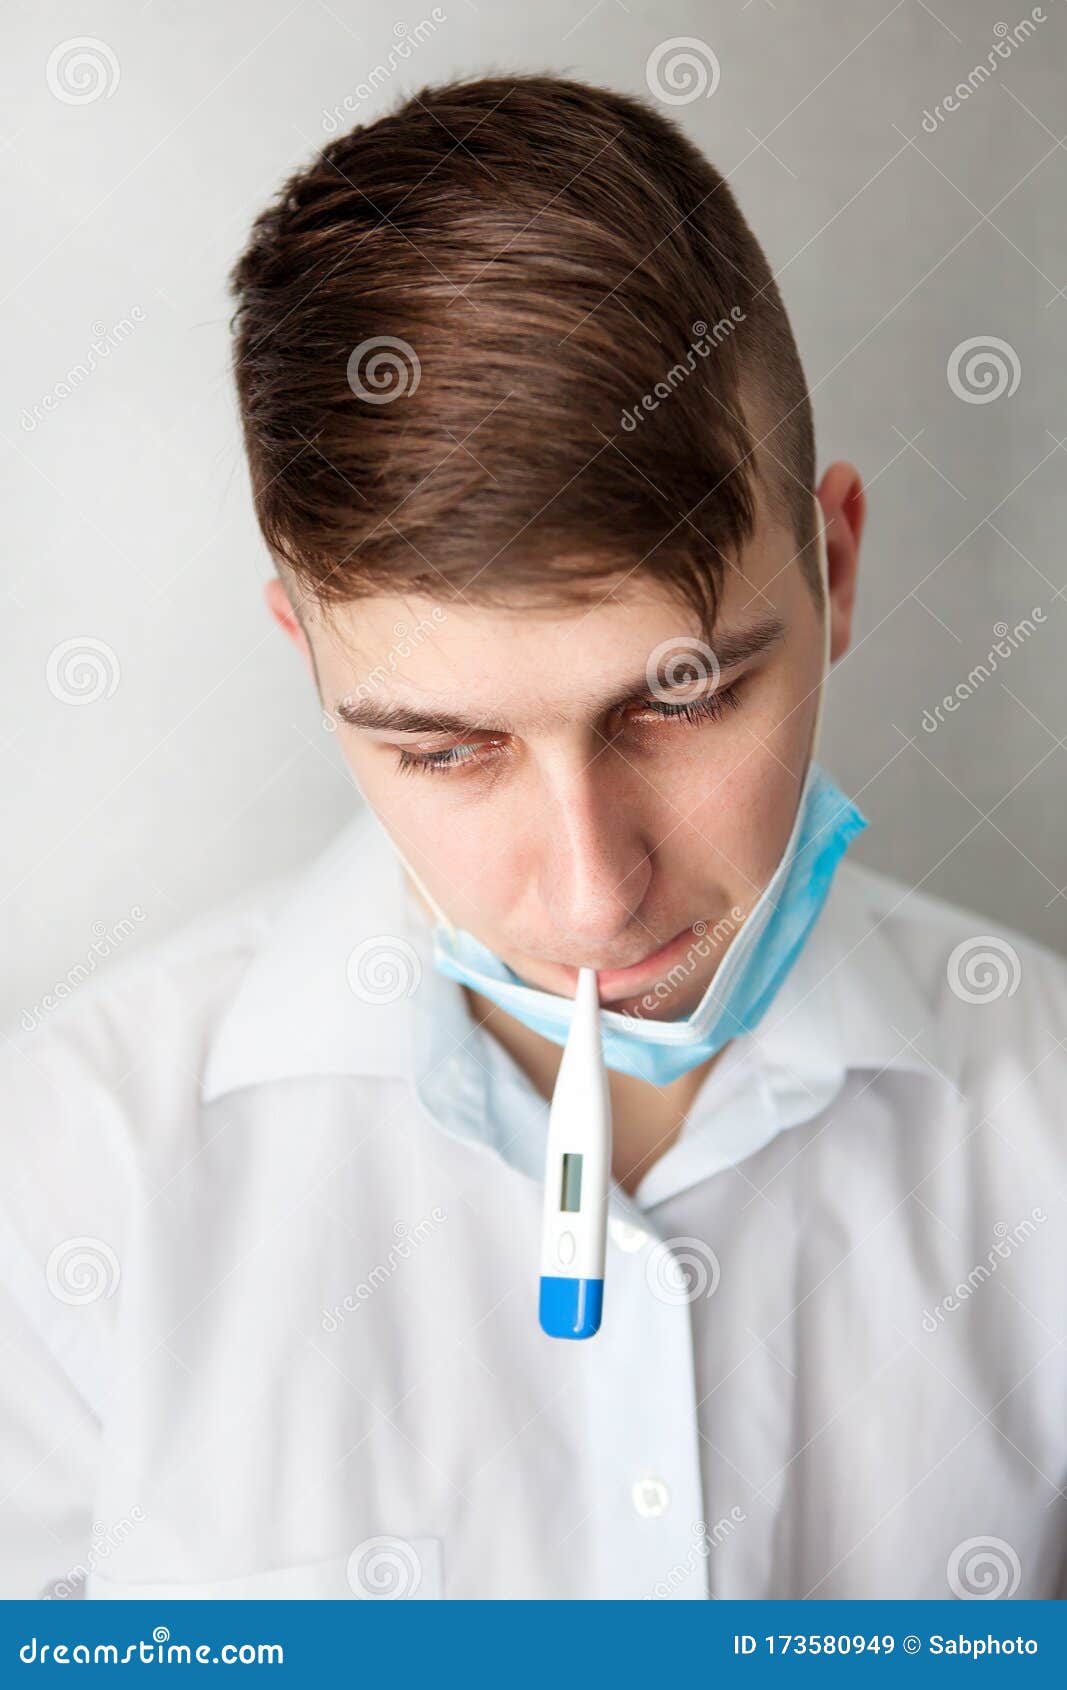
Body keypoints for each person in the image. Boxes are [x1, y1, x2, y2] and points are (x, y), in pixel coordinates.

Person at [2, 73, 1064, 1603]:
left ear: (832, 567)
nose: (589, 891)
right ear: (307, 654)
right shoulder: (56, 1198)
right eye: (445, 747)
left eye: (681, 700)